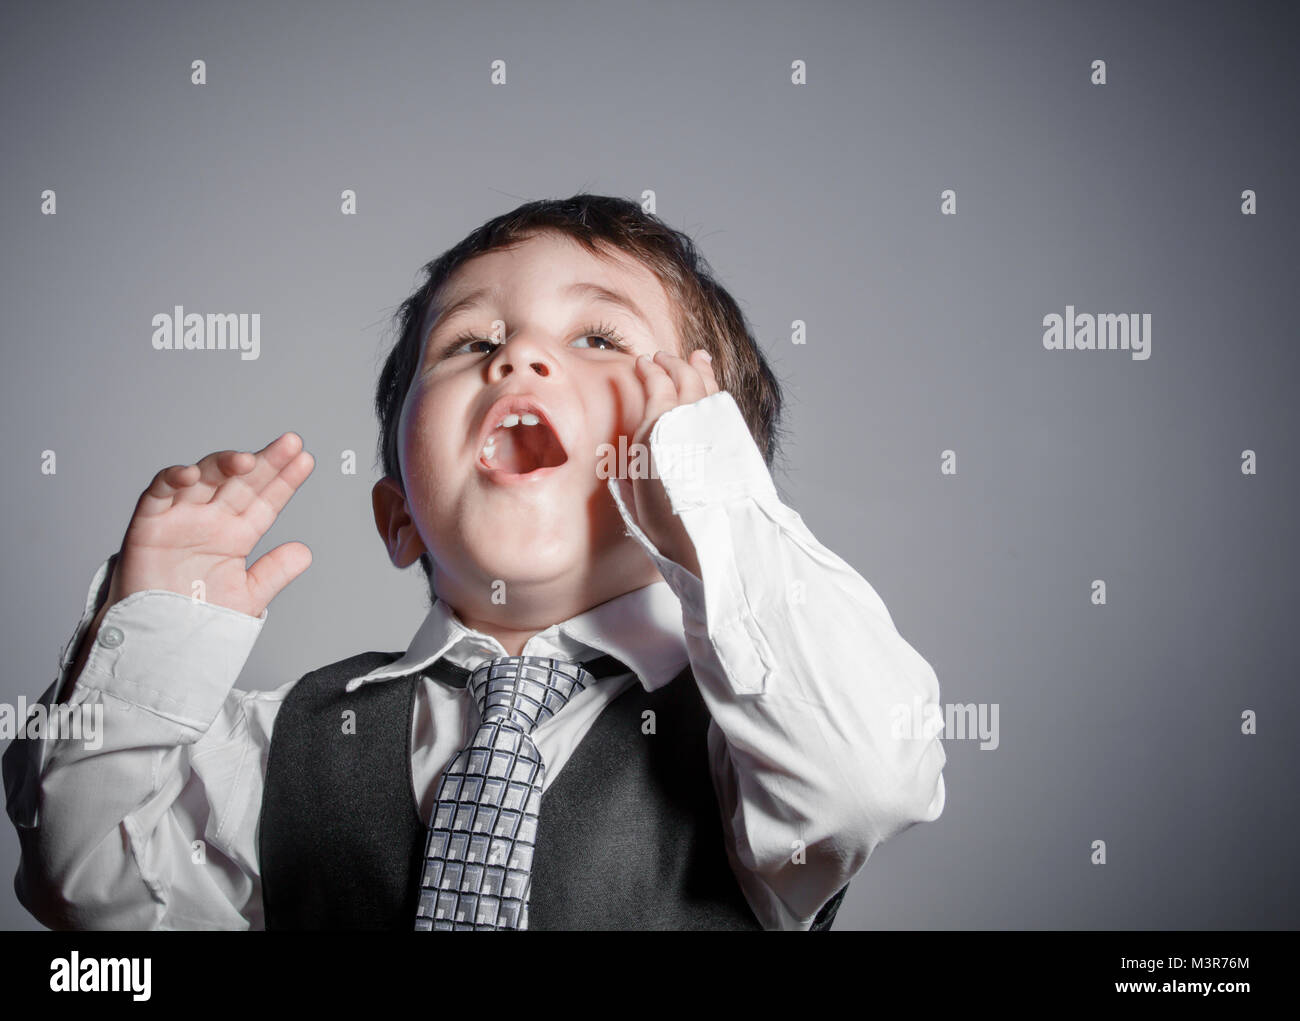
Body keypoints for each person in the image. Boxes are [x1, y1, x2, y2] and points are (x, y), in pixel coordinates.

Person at [4, 194, 947, 930]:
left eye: (598, 338)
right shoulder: (283, 741)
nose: (521, 357)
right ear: (400, 516)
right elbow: (89, 886)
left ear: (703, 450)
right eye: (471, 342)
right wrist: (154, 621)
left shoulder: (751, 744)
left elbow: (870, 776)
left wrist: (715, 505)